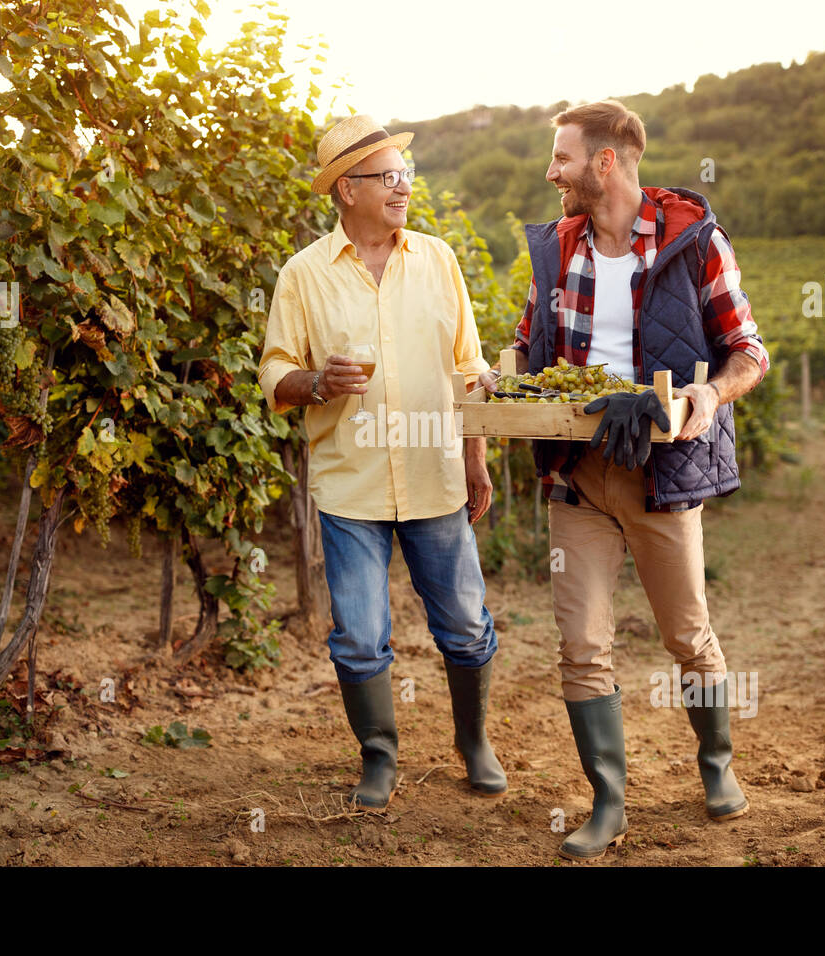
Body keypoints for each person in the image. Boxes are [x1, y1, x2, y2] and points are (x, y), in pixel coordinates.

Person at [482, 100, 770, 859]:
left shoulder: (694, 243)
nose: (552, 173)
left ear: (605, 163)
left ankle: (717, 767)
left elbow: (748, 351)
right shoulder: (560, 249)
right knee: (582, 645)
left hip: (661, 473)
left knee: (686, 634)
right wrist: (495, 381)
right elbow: (527, 344)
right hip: (577, 476)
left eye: (562, 159)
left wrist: (709, 394)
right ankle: (608, 800)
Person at [258, 114, 505, 809]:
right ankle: (379, 756)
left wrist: (475, 460)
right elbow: (275, 373)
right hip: (350, 486)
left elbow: (468, 368)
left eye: (406, 174)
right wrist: (316, 382)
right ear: (346, 190)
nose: (403, 187)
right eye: (388, 176)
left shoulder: (439, 260)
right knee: (360, 637)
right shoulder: (303, 276)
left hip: (434, 477)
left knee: (463, 622)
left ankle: (474, 742)